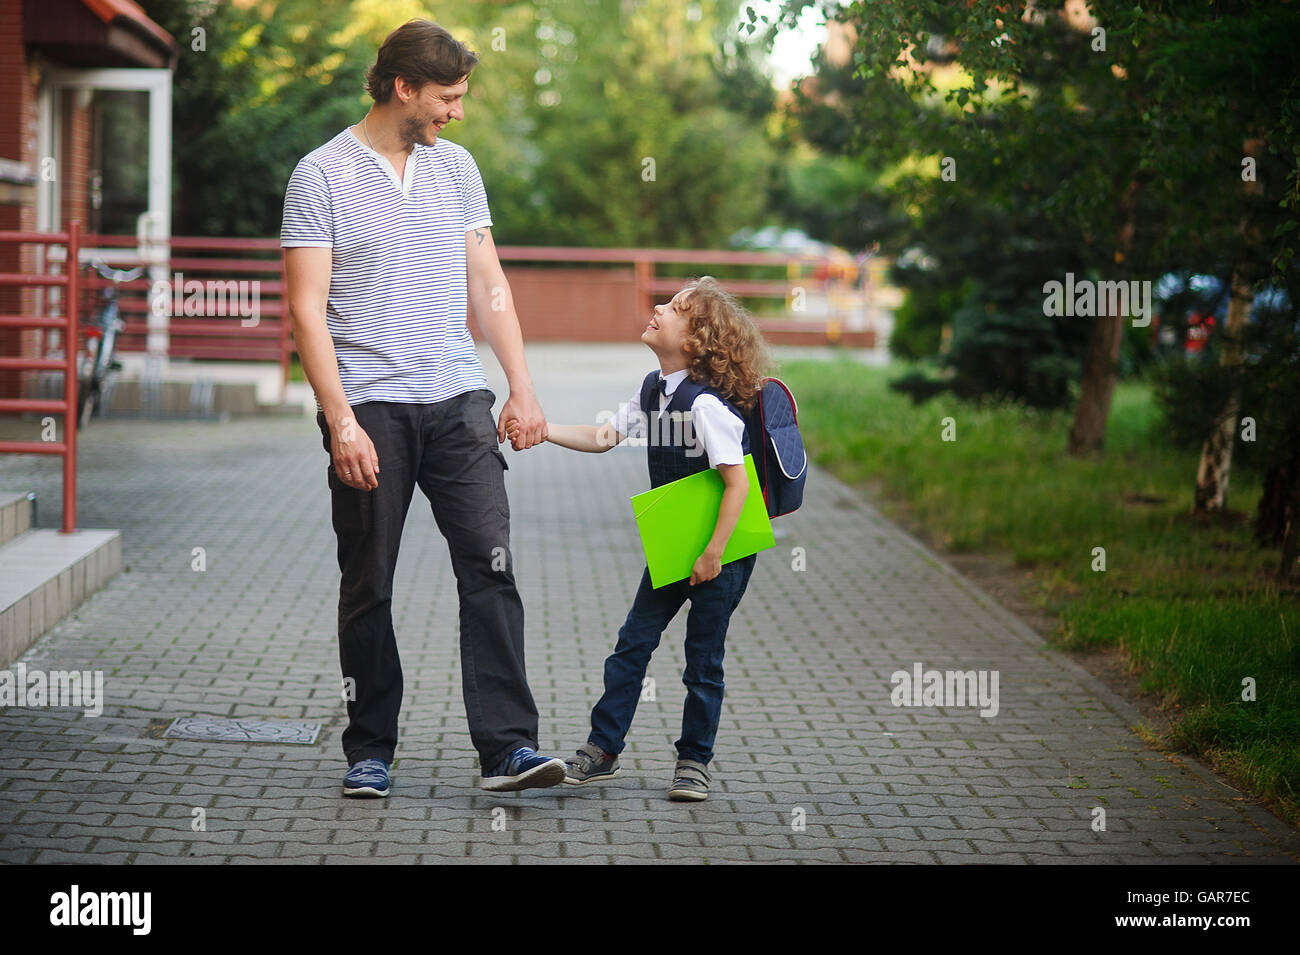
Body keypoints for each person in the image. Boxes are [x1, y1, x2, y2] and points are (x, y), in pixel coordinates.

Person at [281, 20, 565, 797]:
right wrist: (339, 419)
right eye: (448, 98)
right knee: (368, 579)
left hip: (456, 399)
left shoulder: (457, 168)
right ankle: (369, 746)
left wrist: (522, 383)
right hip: (369, 405)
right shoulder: (322, 175)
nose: (458, 113)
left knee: (490, 563)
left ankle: (508, 745)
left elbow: (488, 280)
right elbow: (306, 311)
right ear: (403, 87)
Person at [514, 277, 767, 801]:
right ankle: (602, 750)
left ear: (695, 342)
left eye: (674, 308)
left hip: (722, 552)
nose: (658, 307)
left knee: (703, 660)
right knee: (632, 644)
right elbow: (604, 438)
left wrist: (713, 554)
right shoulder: (654, 389)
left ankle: (694, 761)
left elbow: (737, 484)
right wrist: (543, 429)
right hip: (675, 545)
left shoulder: (705, 407)